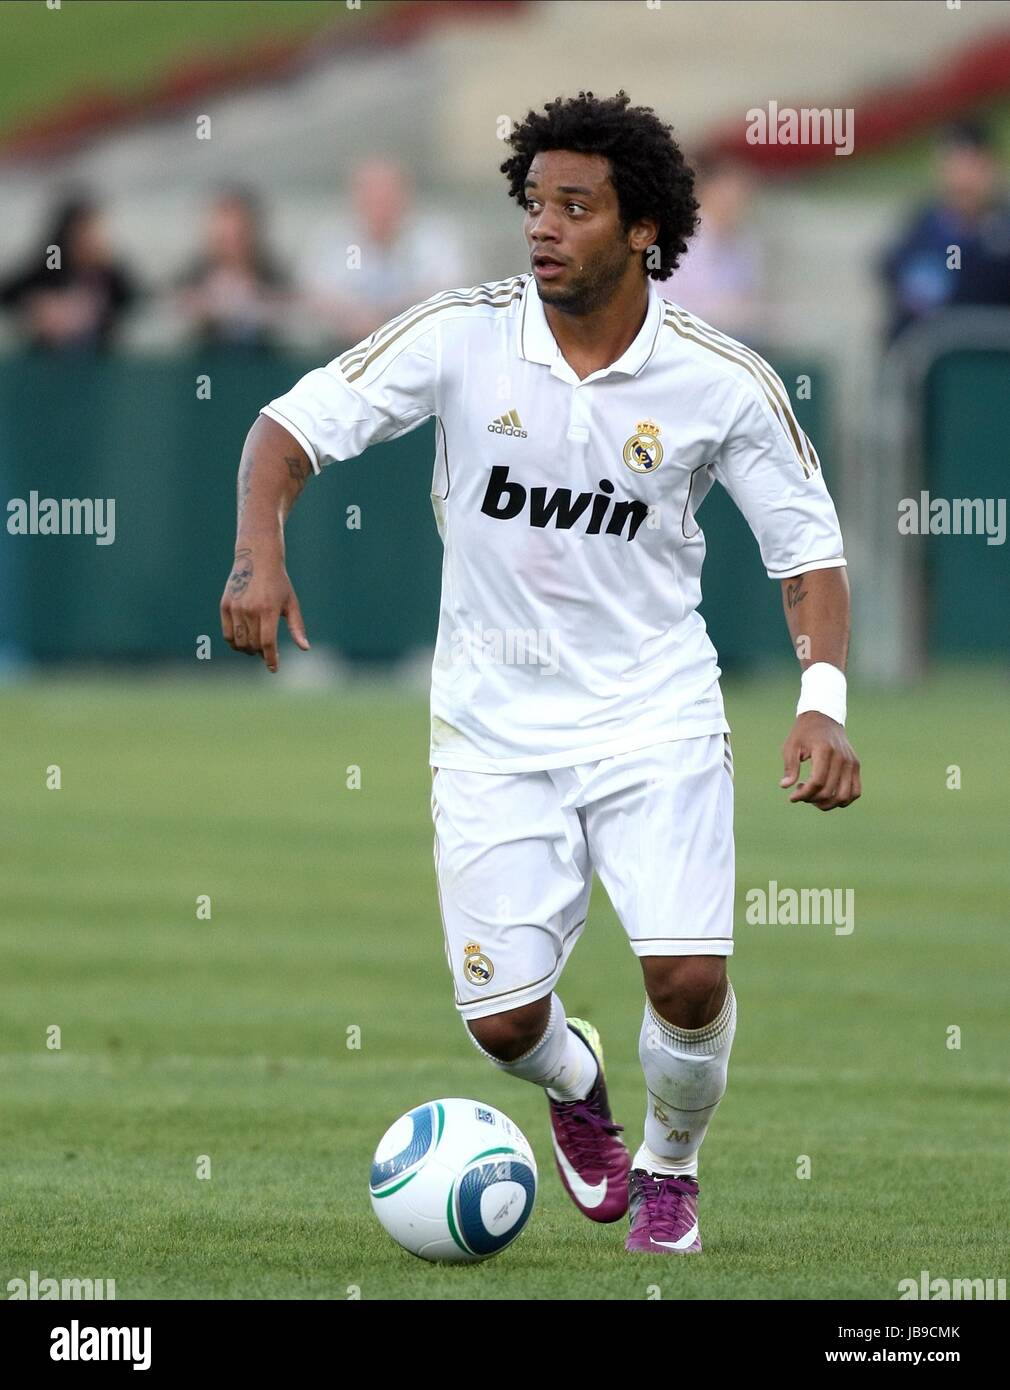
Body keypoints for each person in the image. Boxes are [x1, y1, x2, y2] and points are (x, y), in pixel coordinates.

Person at [220, 90, 861, 1257]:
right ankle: (577, 1090)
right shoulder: (461, 334)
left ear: (643, 232)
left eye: (577, 205)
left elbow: (807, 555)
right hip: (490, 729)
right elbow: (284, 428)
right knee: (505, 1018)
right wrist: (258, 552)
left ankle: (669, 1166)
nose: (544, 226)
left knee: (684, 979)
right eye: (534, 203)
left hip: (653, 713)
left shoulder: (720, 380)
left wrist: (821, 704)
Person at [302, 157, 465, 347]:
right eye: (370, 193)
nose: (380, 203)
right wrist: (358, 318)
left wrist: (390, 319)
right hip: (344, 350)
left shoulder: (436, 238)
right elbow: (317, 295)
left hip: (422, 347)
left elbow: (449, 293)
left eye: (388, 193)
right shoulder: (333, 240)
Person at [881, 121, 1010, 342]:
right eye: (954, 165)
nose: (963, 179)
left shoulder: (1001, 234)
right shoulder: (922, 230)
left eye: (972, 166)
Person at [0, 194, 135, 350]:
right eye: (85, 232)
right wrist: (37, 307)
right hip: (49, 359)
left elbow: (130, 301)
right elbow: (22, 290)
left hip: (98, 358)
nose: (93, 238)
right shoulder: (54, 260)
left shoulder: (108, 271)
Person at [175, 187, 289, 350]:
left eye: (238, 236)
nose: (231, 246)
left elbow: (290, 311)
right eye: (224, 238)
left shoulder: (273, 277)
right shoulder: (192, 277)